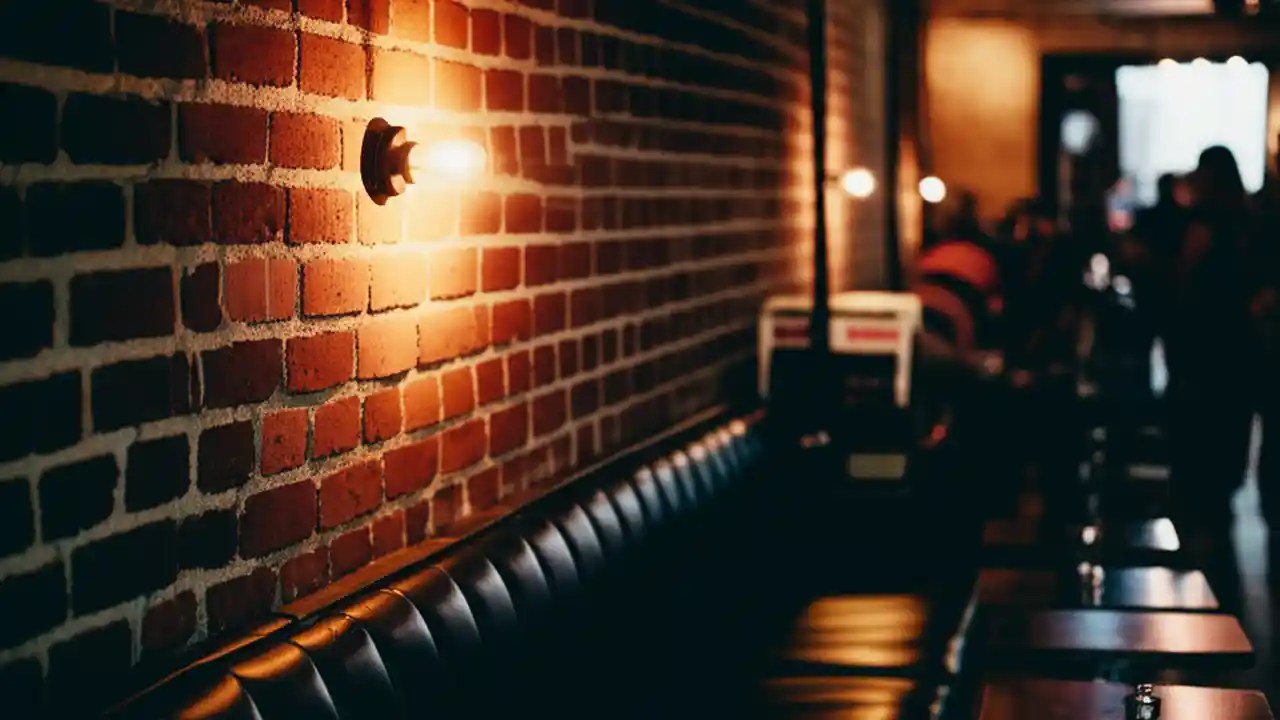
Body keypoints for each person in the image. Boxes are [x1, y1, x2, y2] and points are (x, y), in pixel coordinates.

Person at [1164, 146, 1258, 608]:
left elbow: (1183, 299)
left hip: (1204, 370)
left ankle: (1203, 594)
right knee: (1219, 486)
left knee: (1199, 487)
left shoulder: (1206, 230)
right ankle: (1221, 595)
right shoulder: (1249, 227)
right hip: (1234, 370)